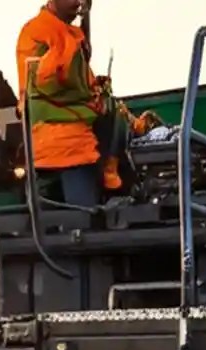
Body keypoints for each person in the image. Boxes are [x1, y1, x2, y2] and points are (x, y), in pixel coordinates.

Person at [16, 0, 160, 207]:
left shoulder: (69, 34)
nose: (80, 2)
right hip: (65, 146)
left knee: (114, 111)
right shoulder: (37, 32)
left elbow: (79, 86)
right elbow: (48, 83)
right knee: (84, 219)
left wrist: (98, 89)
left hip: (73, 144)